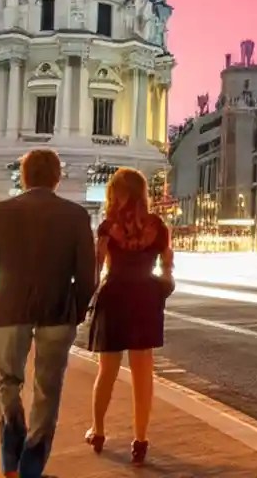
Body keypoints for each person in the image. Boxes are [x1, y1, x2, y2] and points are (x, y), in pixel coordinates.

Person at [0, 148, 97, 478]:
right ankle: (31, 468)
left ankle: (11, 460)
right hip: (57, 312)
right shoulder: (76, 216)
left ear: (23, 176)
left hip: (10, 309)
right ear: (56, 178)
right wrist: (74, 311)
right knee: (48, 391)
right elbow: (88, 275)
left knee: (8, 382)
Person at [84, 167, 174, 466]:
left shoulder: (108, 228)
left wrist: (86, 299)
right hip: (145, 298)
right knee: (143, 371)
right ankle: (141, 440)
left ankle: (98, 432)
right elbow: (167, 269)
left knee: (106, 370)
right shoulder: (158, 227)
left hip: (115, 296)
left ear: (115, 194)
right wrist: (160, 287)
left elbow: (97, 269)